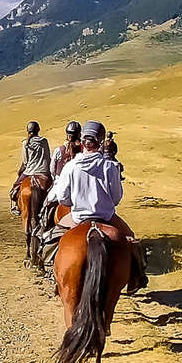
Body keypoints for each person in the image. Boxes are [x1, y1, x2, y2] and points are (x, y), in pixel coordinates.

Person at [37, 121, 148, 291]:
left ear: (82, 142)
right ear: (101, 141)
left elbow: (63, 198)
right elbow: (116, 198)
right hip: (107, 217)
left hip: (78, 217)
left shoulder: (70, 167)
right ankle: (136, 279)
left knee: (49, 239)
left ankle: (55, 275)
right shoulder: (110, 166)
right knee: (132, 241)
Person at [9, 121, 52, 216]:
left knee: (14, 189)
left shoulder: (25, 143)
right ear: (38, 130)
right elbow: (48, 157)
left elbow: (25, 162)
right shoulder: (44, 141)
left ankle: (15, 206)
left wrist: (20, 171)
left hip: (29, 171)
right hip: (44, 171)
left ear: (28, 131)